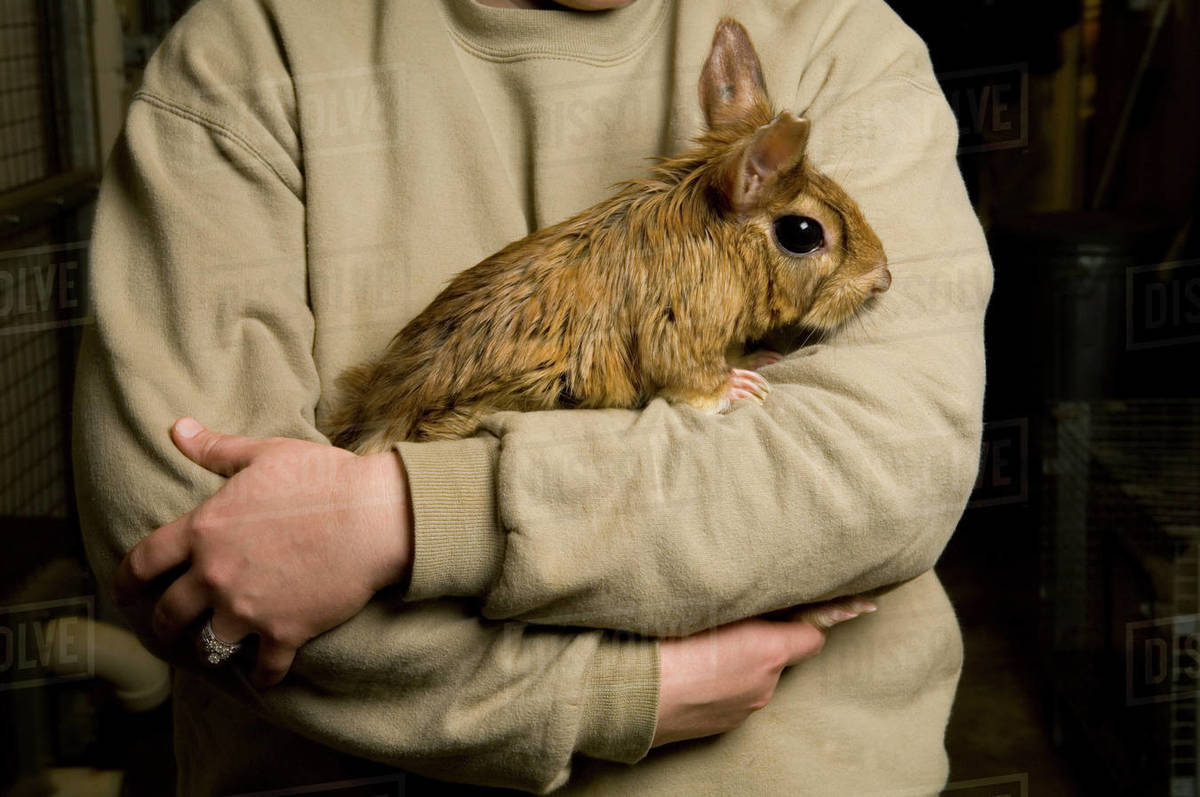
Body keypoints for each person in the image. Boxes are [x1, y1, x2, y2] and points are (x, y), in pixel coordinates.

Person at [73, 0, 991, 794]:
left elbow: (882, 469)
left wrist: (389, 518)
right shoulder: (244, 51)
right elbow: (196, 560)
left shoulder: (845, 35)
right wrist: (616, 694)